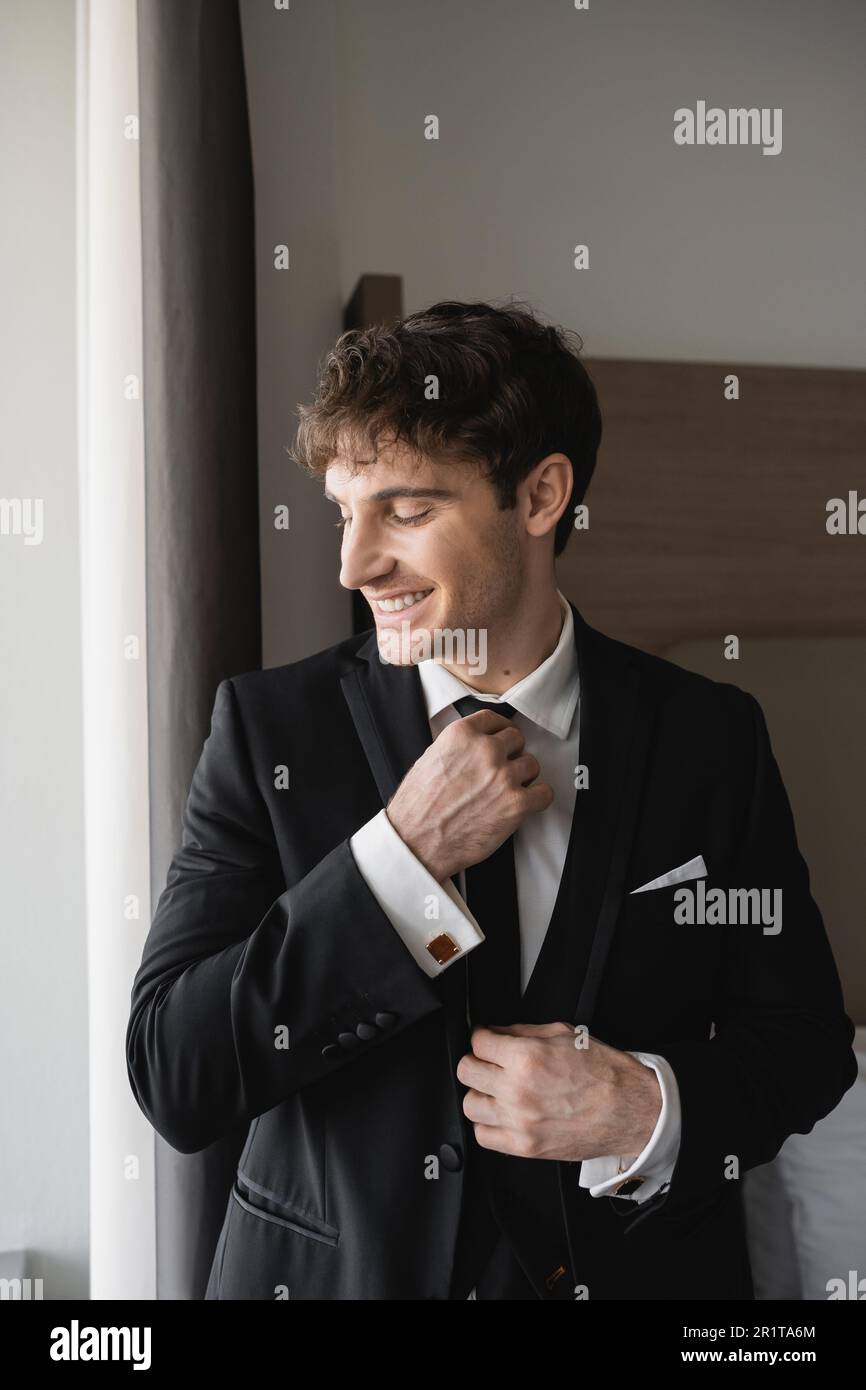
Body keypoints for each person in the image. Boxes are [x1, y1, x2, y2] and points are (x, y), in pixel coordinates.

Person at [126, 300, 858, 1300]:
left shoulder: (708, 740)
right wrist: (400, 857)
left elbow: (805, 1041)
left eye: (407, 511)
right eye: (348, 510)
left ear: (540, 494)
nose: (354, 564)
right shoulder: (270, 731)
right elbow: (176, 1071)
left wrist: (644, 1110)